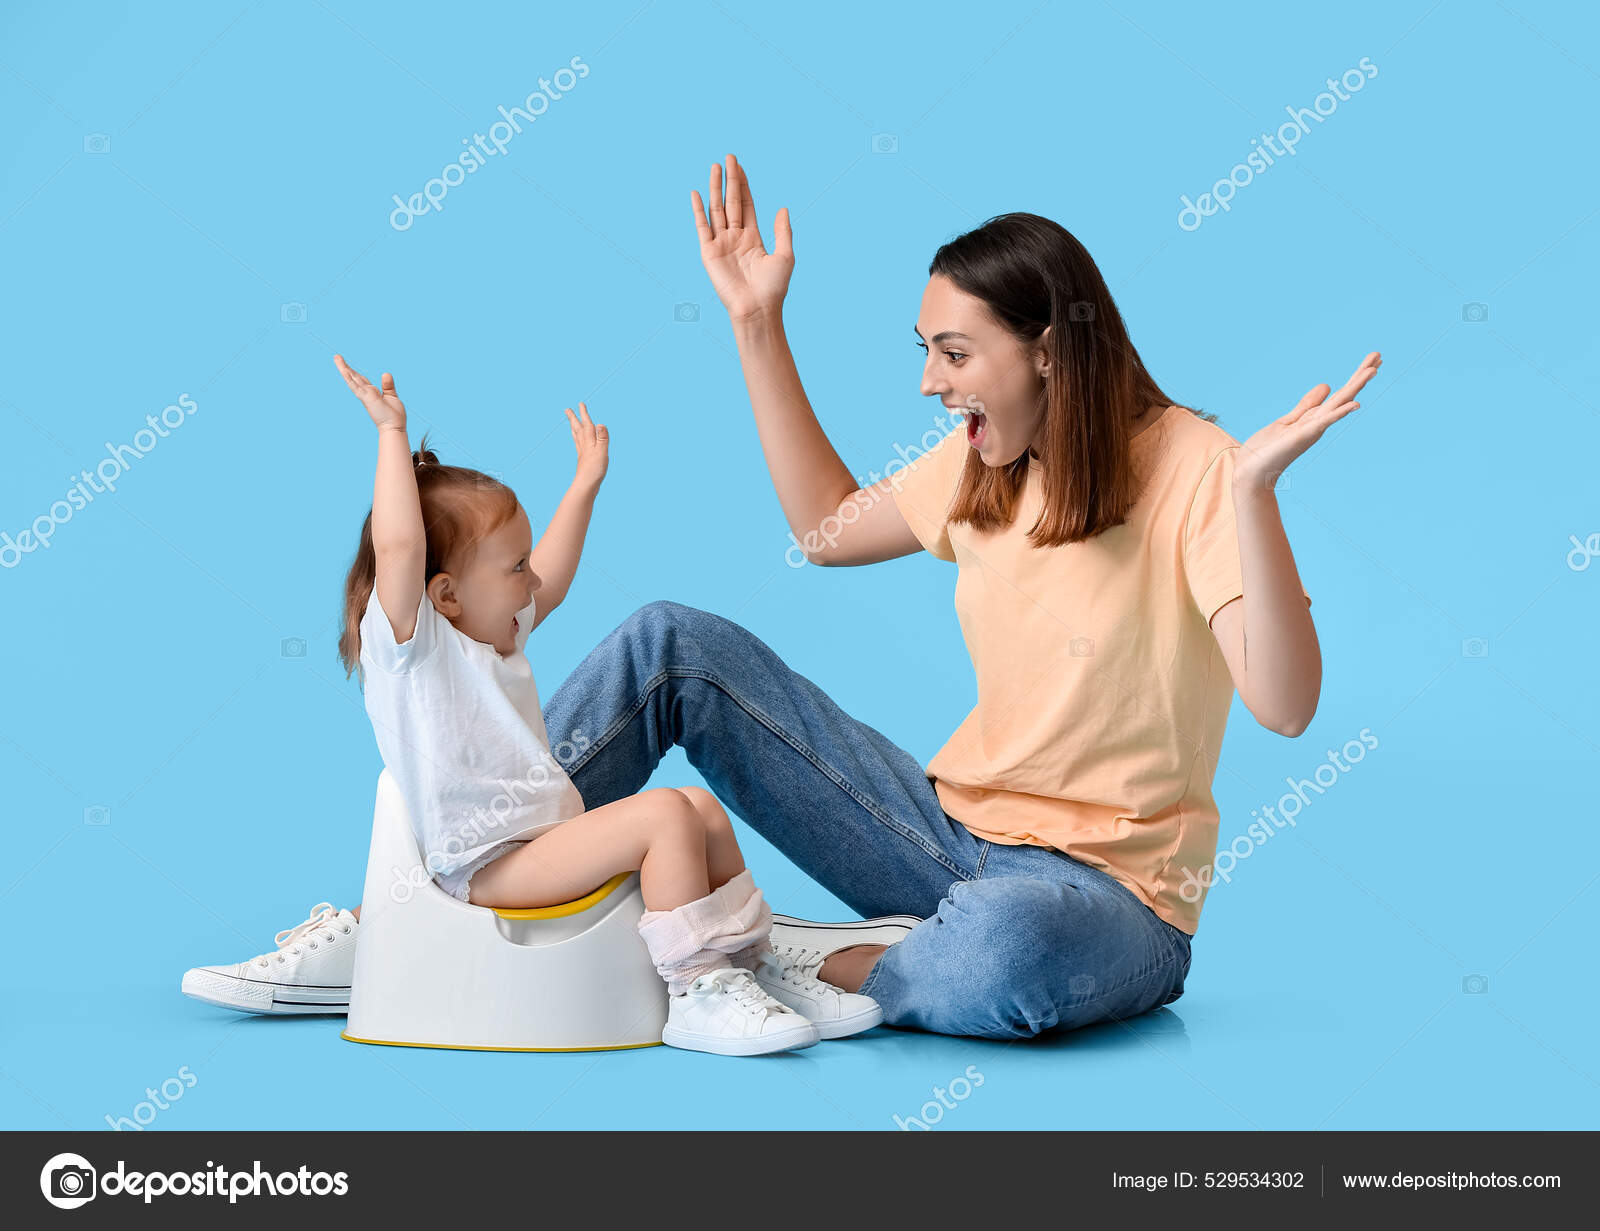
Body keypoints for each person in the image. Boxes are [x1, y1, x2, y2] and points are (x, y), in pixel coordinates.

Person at [184, 152, 1378, 1041]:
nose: (929, 381)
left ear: (1049, 350)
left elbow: (1282, 706)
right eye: (925, 349)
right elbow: (826, 529)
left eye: (953, 353)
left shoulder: (1191, 465)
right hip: (938, 834)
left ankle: (822, 965)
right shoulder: (979, 462)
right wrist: (759, 325)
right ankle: (435, 899)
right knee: (672, 645)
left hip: (1105, 895)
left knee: (1010, 955)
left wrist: (1257, 496)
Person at [179, 353, 880, 1057]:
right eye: (514, 567)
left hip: (537, 843)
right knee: (666, 813)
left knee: (698, 810)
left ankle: (750, 965)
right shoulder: (416, 648)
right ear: (446, 593)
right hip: (483, 867)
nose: (531, 577)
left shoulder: (497, 631)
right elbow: (399, 545)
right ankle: (697, 989)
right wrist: (393, 434)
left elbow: (558, 577)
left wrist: (583, 486)